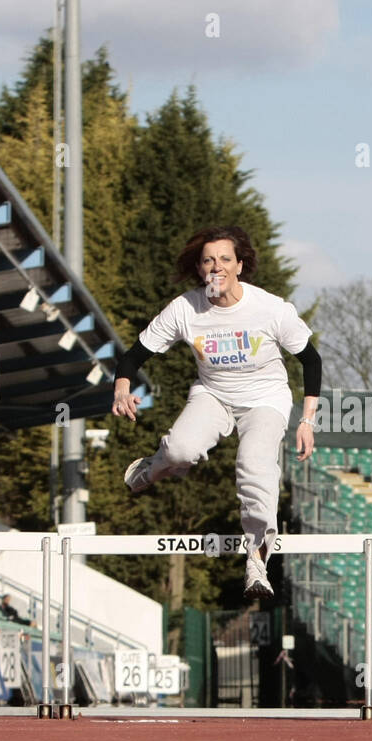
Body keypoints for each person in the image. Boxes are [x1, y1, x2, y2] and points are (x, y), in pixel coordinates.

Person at [112, 226, 320, 600]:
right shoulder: (185, 308)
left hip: (265, 400)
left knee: (255, 464)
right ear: (200, 268)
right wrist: (122, 386)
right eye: (209, 260)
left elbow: (310, 359)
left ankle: (257, 558)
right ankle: (154, 465)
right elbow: (135, 354)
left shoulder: (270, 309)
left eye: (225, 259)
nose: (216, 267)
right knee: (180, 450)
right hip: (213, 394)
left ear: (240, 265)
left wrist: (307, 421)